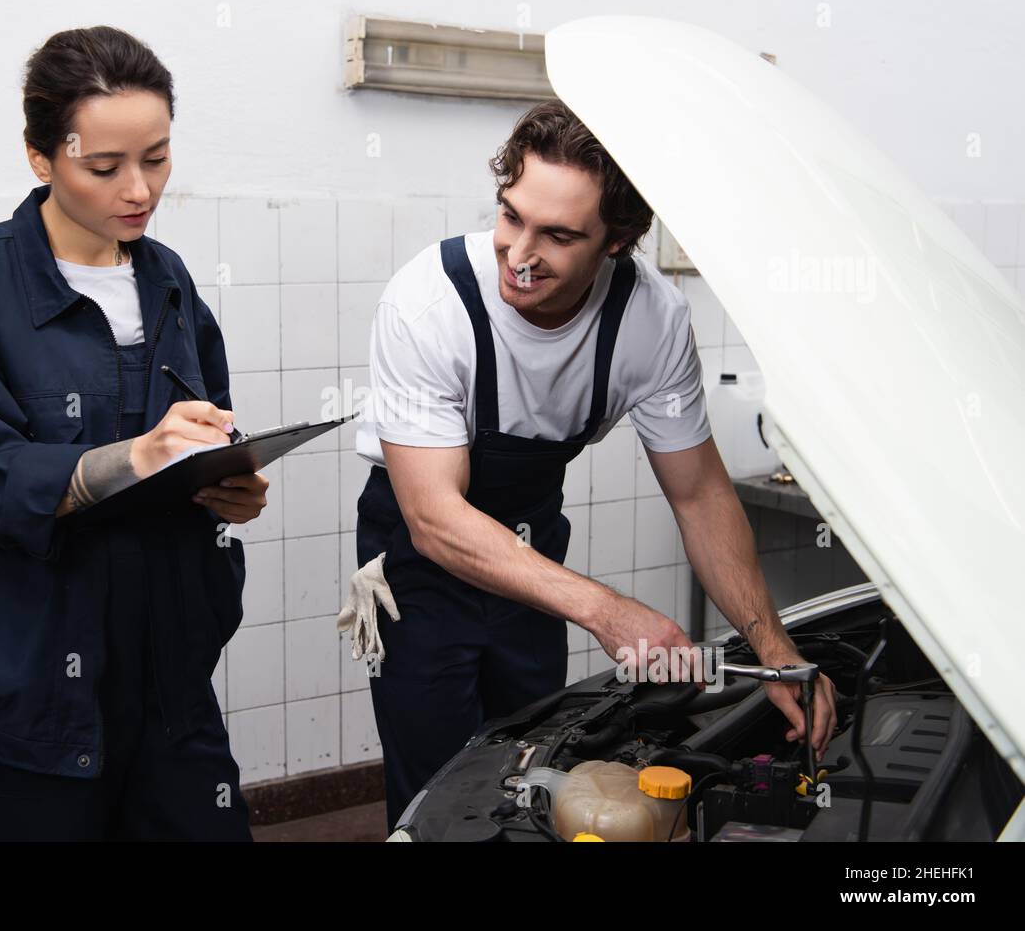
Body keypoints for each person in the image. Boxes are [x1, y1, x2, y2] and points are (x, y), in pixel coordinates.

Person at [348, 100, 837, 831]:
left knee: (531, 758)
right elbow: (434, 518)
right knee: (438, 785)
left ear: (619, 241)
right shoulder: (430, 303)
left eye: (558, 235)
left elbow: (700, 493)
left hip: (530, 551)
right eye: (511, 216)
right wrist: (607, 609)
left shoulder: (652, 320)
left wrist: (772, 647)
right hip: (420, 568)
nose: (519, 253)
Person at [0, 26, 268, 840]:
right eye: (105, 168)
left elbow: (204, 425)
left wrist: (224, 485)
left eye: (157, 158)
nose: (139, 189)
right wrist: (132, 456)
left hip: (167, 676)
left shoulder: (167, 281)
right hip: (26, 672)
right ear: (41, 157)